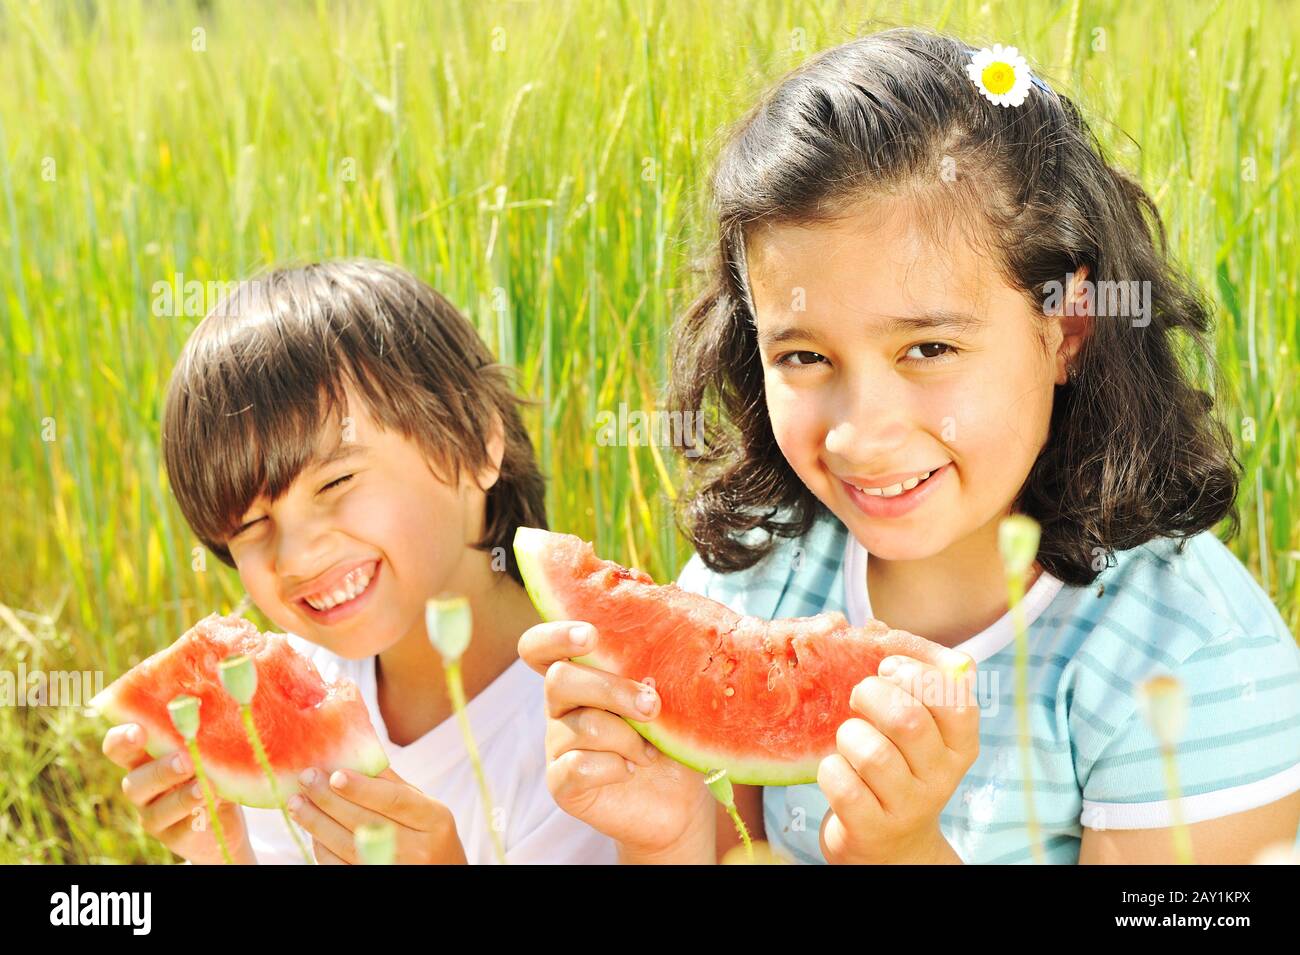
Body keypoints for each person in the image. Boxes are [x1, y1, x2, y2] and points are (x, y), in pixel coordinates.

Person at [519, 27, 1300, 864]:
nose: (863, 432)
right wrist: (671, 832)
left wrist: (901, 852)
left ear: (1069, 325)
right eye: (805, 356)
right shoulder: (760, 568)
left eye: (927, 349)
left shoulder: (1189, 656)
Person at [101, 258, 617, 864]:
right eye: (250, 525)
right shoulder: (296, 699)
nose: (297, 555)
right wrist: (223, 852)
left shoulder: (588, 731)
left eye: (337, 481)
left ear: (477, 440)